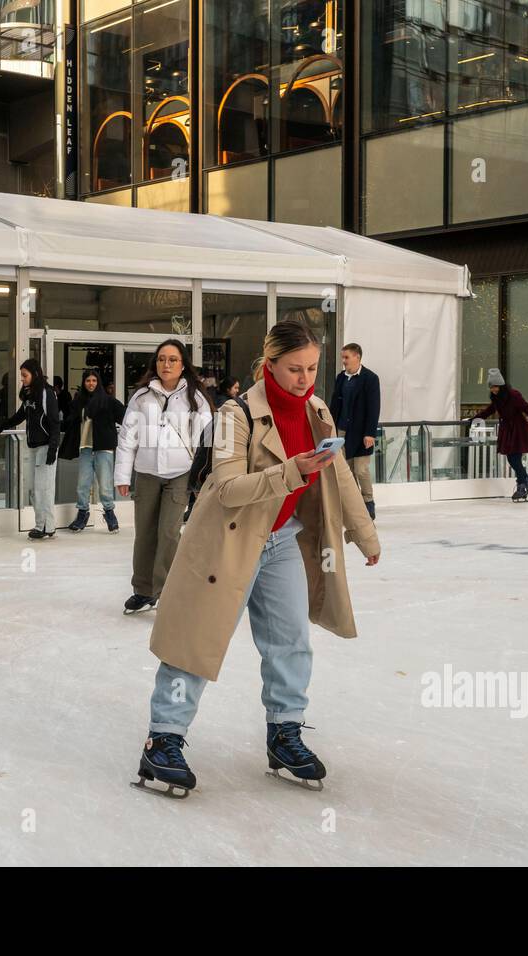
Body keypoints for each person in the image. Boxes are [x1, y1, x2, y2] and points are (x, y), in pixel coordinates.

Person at [133, 321, 380, 797]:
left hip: (283, 540)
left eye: (311, 368)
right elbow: (226, 488)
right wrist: (291, 472)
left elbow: (341, 476)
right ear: (270, 364)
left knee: (290, 641)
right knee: (196, 640)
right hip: (230, 540)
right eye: (293, 369)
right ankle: (162, 739)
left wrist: (364, 535)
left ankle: (284, 734)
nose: (304, 378)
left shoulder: (318, 411)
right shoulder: (235, 413)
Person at [114, 339, 213, 615]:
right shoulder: (141, 397)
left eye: (172, 359)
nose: (166, 364)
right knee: (145, 534)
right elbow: (126, 439)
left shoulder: (196, 398)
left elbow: (207, 440)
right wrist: (122, 474)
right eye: (161, 359)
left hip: (180, 475)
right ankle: (143, 590)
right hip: (146, 474)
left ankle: (166, 591)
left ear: (183, 365)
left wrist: (203, 478)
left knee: (168, 532)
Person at [0, 359, 61, 540]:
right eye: (21, 376)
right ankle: (44, 525)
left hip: (46, 446)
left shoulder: (47, 394)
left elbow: (55, 422)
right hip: (33, 446)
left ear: (36, 374)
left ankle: (45, 526)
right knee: (35, 488)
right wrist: (3, 426)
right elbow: (21, 415)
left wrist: (52, 449)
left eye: (25, 375)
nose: (22, 379)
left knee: (44, 489)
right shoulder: (30, 394)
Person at [464, 367, 528, 501]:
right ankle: (525, 483)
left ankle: (524, 483)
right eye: (491, 387)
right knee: (512, 459)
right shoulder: (496, 399)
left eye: (495, 387)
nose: (493, 390)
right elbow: (489, 410)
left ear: (501, 385)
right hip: (507, 430)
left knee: (514, 459)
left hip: (518, 429)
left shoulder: (514, 395)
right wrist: (474, 419)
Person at [58, 367, 124, 534]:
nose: (91, 383)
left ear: (98, 382)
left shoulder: (108, 400)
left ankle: (109, 513)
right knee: (83, 484)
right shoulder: (78, 401)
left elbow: (125, 417)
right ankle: (82, 513)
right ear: (83, 382)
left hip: (103, 448)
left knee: (105, 484)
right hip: (85, 448)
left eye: (94, 380)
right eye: (88, 381)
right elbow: (70, 421)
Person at [329, 343, 381, 520]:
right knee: (347, 472)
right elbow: (335, 404)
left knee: (361, 470)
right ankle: (353, 507)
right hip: (341, 432)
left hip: (361, 434)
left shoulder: (370, 378)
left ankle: (368, 504)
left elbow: (374, 408)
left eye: (346, 357)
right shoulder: (341, 378)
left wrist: (370, 433)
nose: (343, 361)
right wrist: (330, 427)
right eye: (342, 357)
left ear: (357, 357)